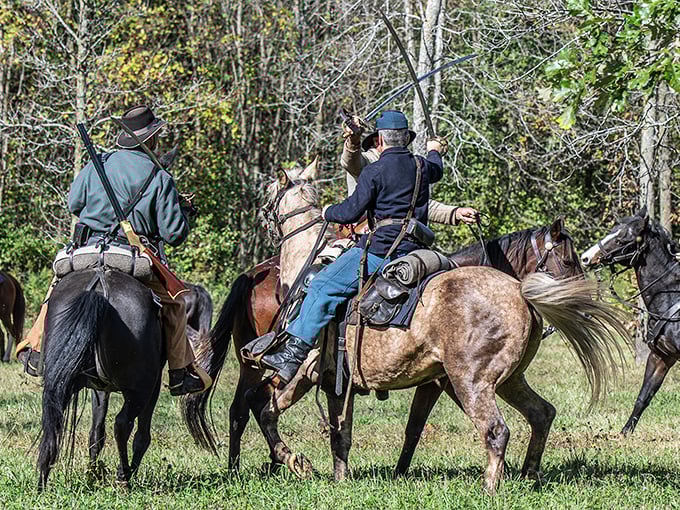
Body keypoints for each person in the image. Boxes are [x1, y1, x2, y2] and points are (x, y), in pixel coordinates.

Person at [16, 105, 212, 396]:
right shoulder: (160, 178)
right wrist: (183, 212)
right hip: (131, 257)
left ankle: (35, 347)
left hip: (85, 250)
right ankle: (180, 372)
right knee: (175, 305)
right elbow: (174, 234)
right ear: (152, 139)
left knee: (55, 292)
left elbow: (74, 205)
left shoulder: (98, 163)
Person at [260, 110, 449, 383]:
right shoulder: (422, 166)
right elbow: (437, 168)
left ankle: (293, 354)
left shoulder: (374, 171)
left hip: (380, 251)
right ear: (406, 139)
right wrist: (435, 150)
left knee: (322, 285)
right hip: (415, 251)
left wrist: (327, 211)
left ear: (381, 141)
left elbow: (350, 212)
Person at [341, 114, 479, 224]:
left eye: (402, 140)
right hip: (364, 232)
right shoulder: (367, 161)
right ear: (378, 141)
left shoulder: (407, 166)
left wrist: (455, 213)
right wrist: (354, 140)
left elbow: (415, 205)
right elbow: (351, 162)